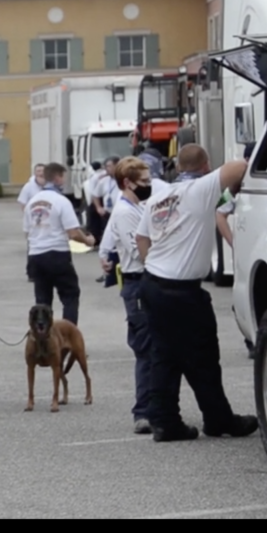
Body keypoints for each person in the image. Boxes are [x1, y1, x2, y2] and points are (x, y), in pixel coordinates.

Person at [135, 143, 258, 442]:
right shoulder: (201, 189)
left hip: (153, 282)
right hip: (182, 291)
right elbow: (240, 167)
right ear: (205, 166)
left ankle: (164, 421)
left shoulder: (159, 197)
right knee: (203, 355)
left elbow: (141, 238)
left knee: (163, 355)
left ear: (178, 167)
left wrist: (154, 263)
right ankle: (218, 419)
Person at [97, 156, 156, 434]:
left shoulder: (132, 207)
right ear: (127, 183)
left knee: (155, 348)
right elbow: (139, 252)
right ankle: (143, 411)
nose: (149, 185)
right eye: (144, 181)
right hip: (138, 283)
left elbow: (107, 241)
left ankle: (154, 406)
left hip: (140, 282)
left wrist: (105, 256)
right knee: (146, 350)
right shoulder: (125, 213)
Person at [23, 163, 94, 326]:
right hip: (56, 253)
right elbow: (73, 233)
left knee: (42, 301)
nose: (64, 181)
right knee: (70, 295)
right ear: (57, 178)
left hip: (35, 254)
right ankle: (67, 336)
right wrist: (88, 241)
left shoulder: (32, 202)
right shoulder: (61, 201)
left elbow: (27, 231)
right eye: (63, 177)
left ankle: (43, 338)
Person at [18, 163, 46, 281]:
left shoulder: (50, 185)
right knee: (33, 247)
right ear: (35, 173)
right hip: (33, 221)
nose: (40, 173)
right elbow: (22, 203)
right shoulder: (28, 187)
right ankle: (32, 273)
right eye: (38, 171)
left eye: (42, 171)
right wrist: (29, 217)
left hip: (47, 221)